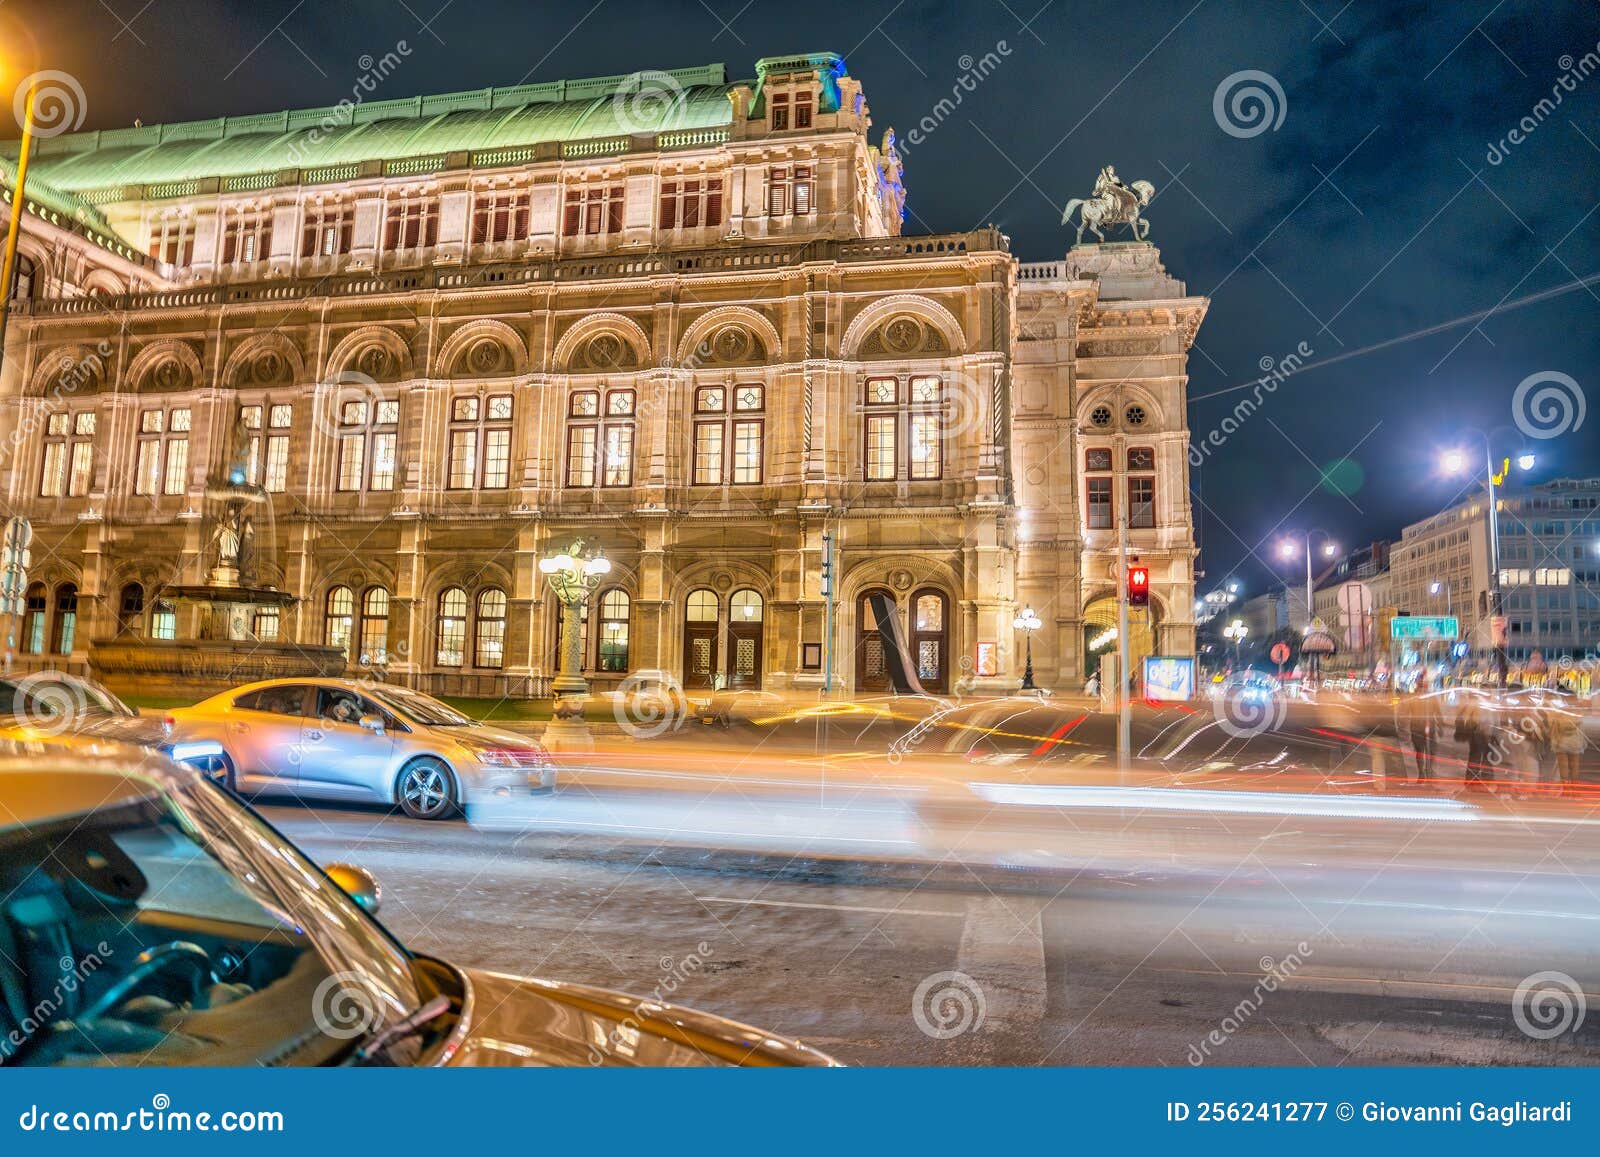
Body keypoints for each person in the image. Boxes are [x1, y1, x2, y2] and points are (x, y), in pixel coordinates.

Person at [1406, 681, 1444, 781]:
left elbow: (1406, 713)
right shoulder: (1431, 697)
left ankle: (1423, 772)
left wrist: (1440, 726)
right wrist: (1440, 727)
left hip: (1419, 728)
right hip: (1423, 728)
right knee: (1427, 751)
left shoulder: (1414, 698)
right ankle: (1426, 771)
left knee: (1421, 751)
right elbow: (1438, 713)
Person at [1454, 694, 1492, 791]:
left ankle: (1471, 781)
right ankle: (1473, 782)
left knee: (1475, 757)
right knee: (1478, 758)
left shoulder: (1468, 703)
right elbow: (1476, 719)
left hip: (1474, 734)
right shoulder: (1477, 704)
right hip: (1478, 734)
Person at [1546, 706, 1585, 795]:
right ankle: (1575, 791)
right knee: (1574, 767)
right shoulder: (1576, 710)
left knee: (1563, 768)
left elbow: (1551, 724)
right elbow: (1580, 722)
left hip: (1561, 741)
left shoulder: (1558, 710)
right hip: (1574, 742)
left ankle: (1566, 790)